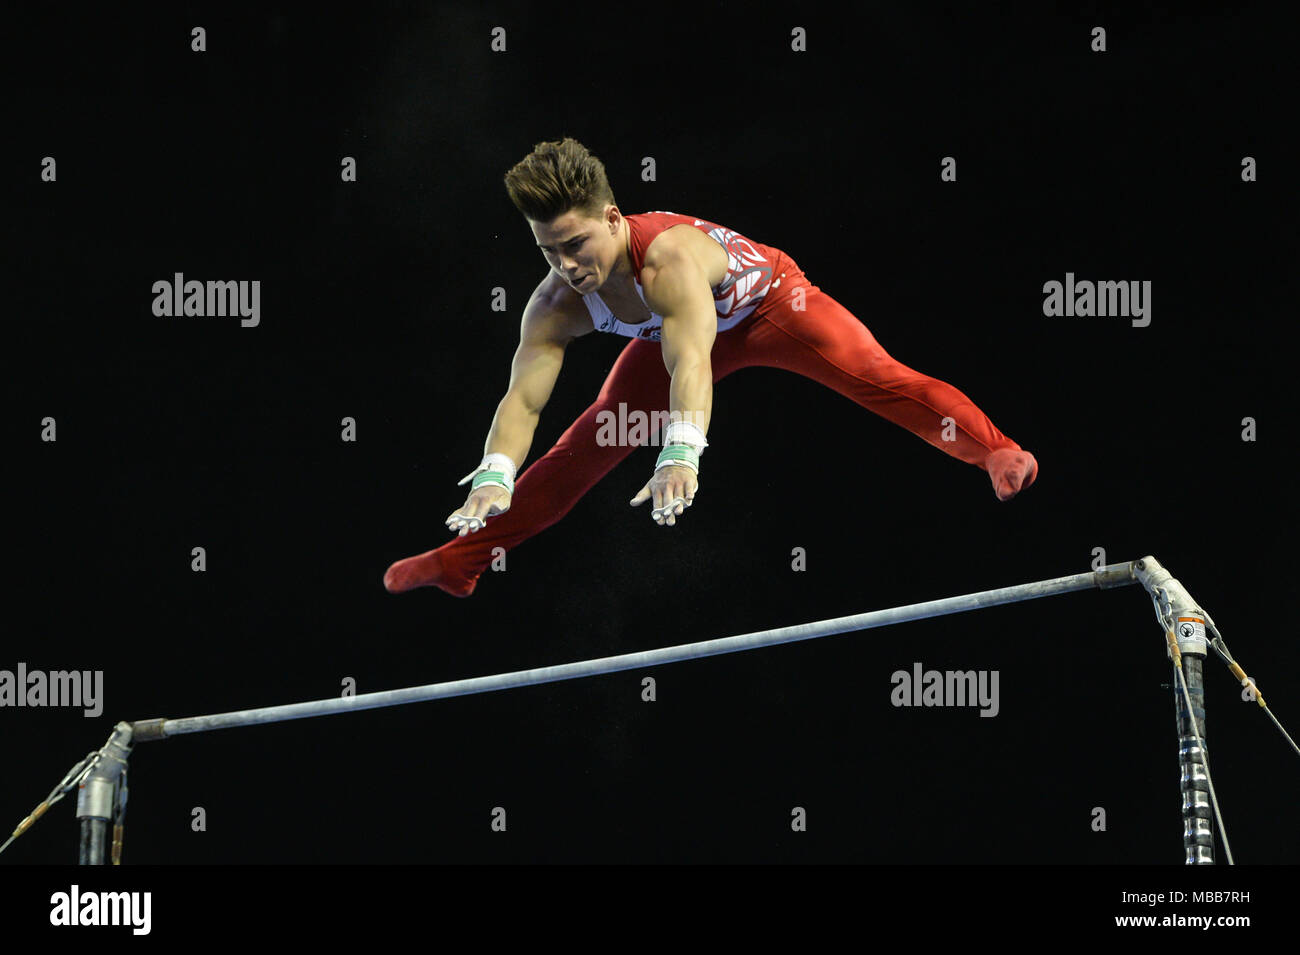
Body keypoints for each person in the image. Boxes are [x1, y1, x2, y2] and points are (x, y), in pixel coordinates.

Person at [384, 138, 1037, 597]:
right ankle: (462, 562)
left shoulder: (666, 262)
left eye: (577, 244)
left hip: (771, 307)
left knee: (873, 373)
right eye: (549, 251)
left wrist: (681, 453)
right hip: (679, 337)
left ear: (614, 218)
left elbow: (690, 359)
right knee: (584, 444)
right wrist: (495, 472)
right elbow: (522, 402)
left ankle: (995, 452)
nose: (568, 266)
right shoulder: (555, 303)